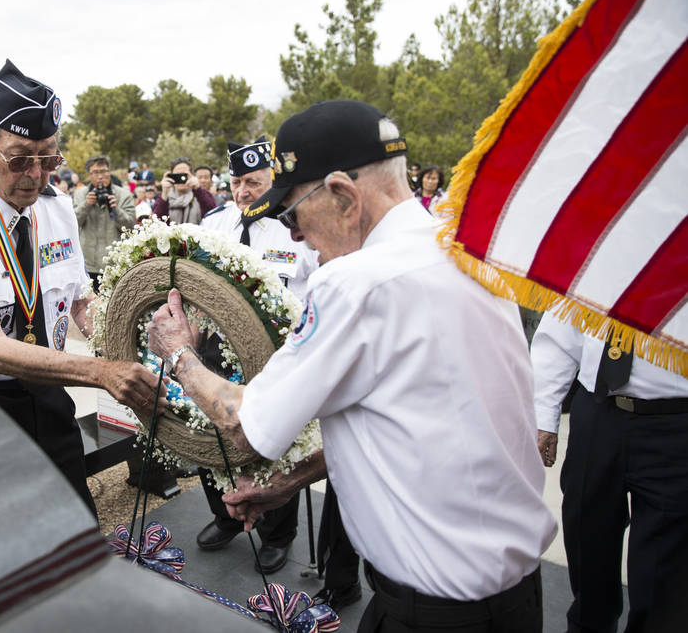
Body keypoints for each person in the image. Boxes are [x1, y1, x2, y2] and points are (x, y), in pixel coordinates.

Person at [148, 99, 556, 632]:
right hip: (512, 598)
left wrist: (178, 351)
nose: (292, 235)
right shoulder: (468, 254)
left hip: (432, 611)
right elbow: (409, 421)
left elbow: (244, 421)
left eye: (292, 213)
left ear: (342, 195)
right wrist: (290, 483)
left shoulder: (357, 282)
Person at [0, 59, 163, 517]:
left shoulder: (56, 206)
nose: (36, 174)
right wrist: (100, 372)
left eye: (48, 158)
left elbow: (79, 301)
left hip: (47, 395)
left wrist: (137, 337)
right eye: (21, 157)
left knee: (77, 533)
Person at [191, 136, 321, 577]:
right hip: (216, 351)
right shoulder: (215, 222)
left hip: (275, 357)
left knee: (271, 445)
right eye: (237, 182)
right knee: (213, 441)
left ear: (272, 180)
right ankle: (224, 516)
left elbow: (318, 294)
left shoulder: (297, 229)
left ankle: (277, 535)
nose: (243, 192)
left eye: (254, 181)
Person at [532, 313, 688, 632]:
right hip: (598, 411)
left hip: (674, 421)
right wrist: (544, 413)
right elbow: (564, 323)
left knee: (663, 581)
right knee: (586, 538)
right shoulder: (600, 261)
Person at [73, 155, 136, 292]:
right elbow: (73, 223)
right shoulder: (80, 194)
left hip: (115, 264)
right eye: (96, 172)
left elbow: (131, 226)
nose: (100, 176)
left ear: (109, 172)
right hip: (88, 263)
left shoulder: (123, 195)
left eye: (104, 171)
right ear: (89, 175)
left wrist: (115, 209)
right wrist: (86, 205)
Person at [153, 158, 215, 224]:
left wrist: (198, 189)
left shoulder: (201, 194)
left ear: (191, 175)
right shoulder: (164, 198)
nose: (181, 179)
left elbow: (213, 215)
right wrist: (164, 193)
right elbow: (157, 222)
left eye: (184, 175)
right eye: (177, 175)